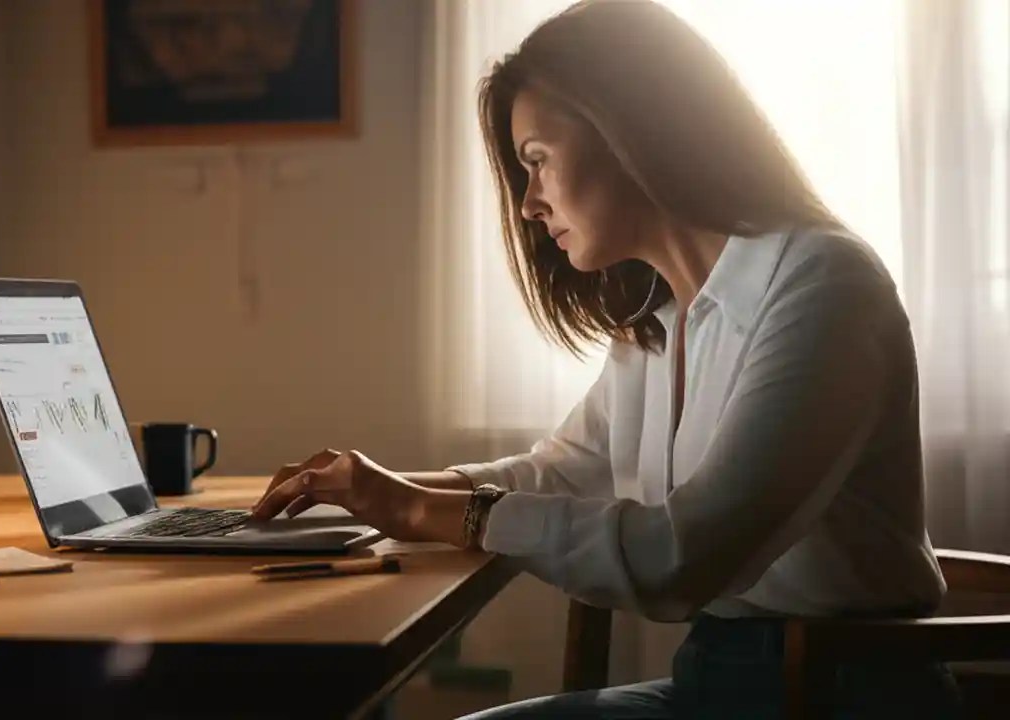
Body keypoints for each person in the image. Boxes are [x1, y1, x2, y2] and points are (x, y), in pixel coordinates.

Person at [252, 0, 962, 716]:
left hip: (834, 697)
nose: (529, 204)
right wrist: (366, 489)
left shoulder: (823, 286)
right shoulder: (662, 322)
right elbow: (560, 472)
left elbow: (680, 559)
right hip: (716, 685)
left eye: (537, 161)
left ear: (632, 130)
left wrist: (416, 507)